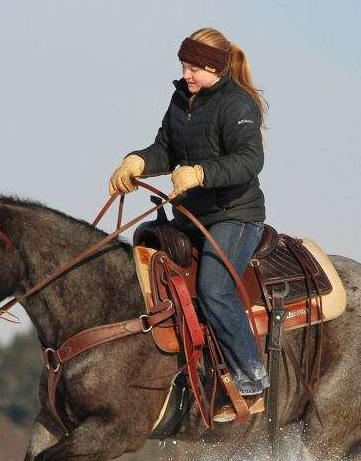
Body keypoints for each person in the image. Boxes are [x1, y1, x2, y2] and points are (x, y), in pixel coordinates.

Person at [109, 27, 269, 422]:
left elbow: (250, 160)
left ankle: (252, 382)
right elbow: (165, 147)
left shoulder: (237, 104)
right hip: (192, 216)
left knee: (213, 289)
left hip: (235, 215)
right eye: (185, 65)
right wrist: (139, 161)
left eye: (196, 67)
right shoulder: (182, 99)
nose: (188, 75)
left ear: (216, 67)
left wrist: (200, 173)